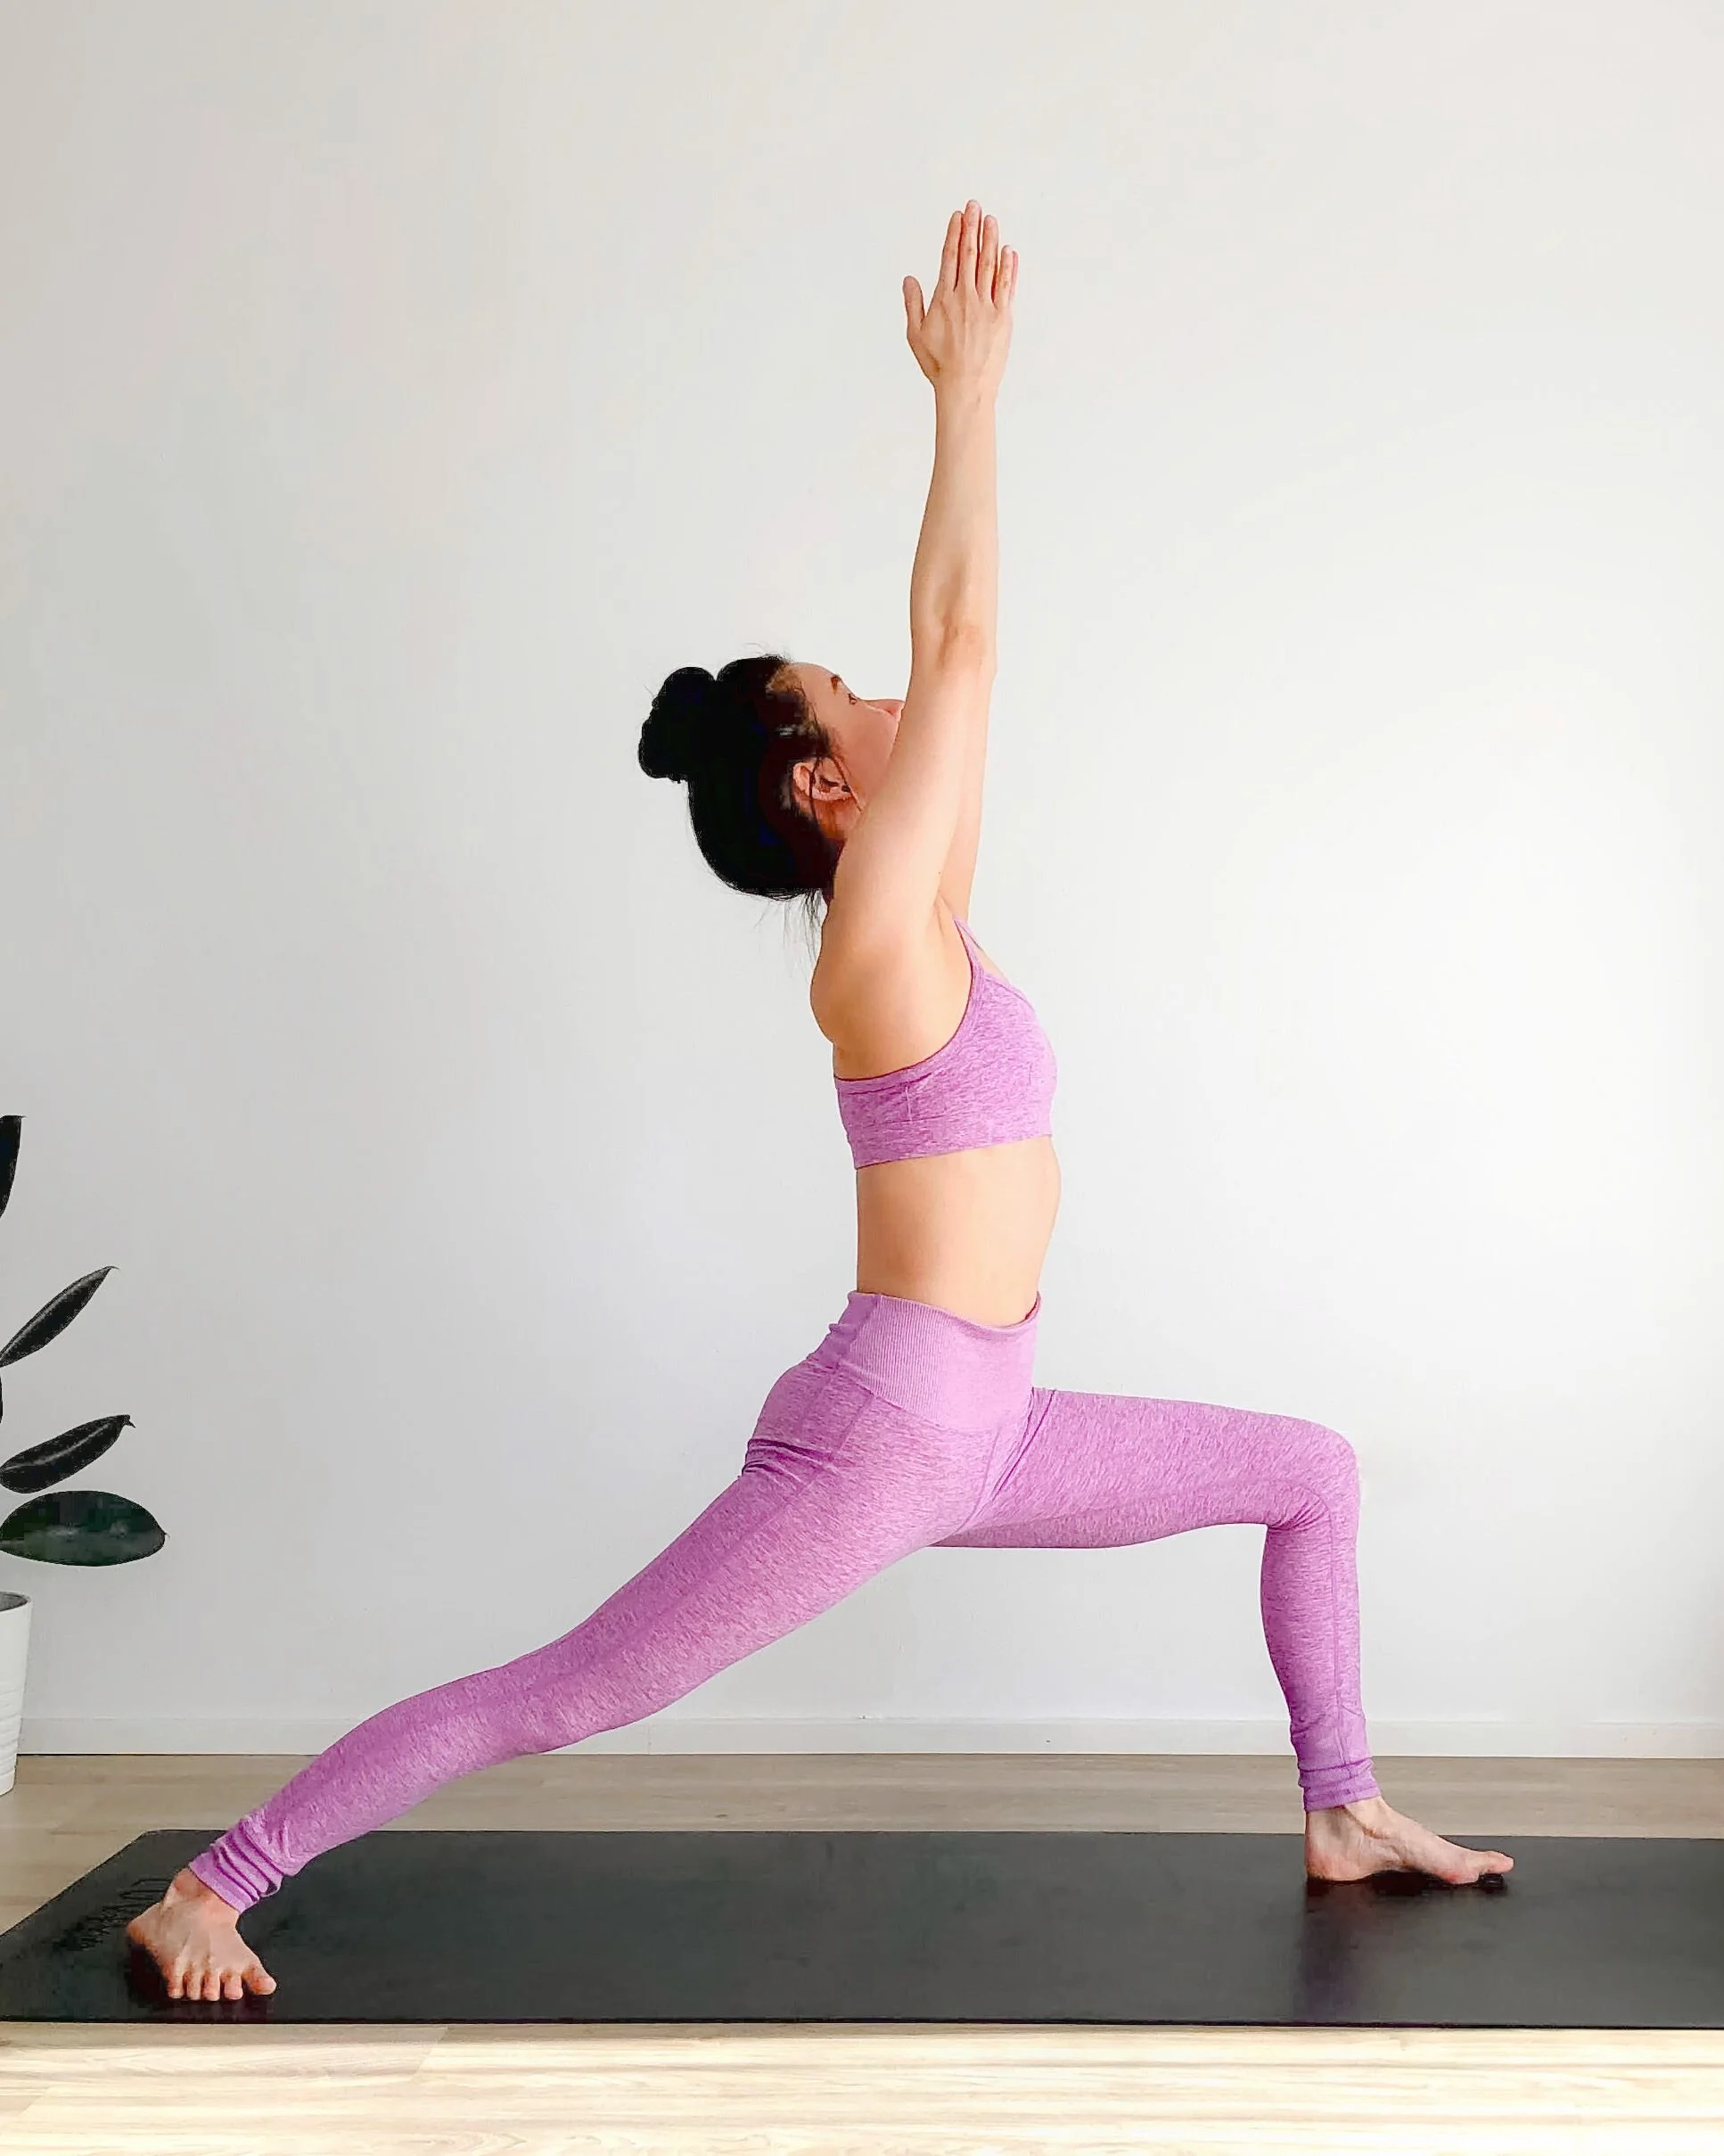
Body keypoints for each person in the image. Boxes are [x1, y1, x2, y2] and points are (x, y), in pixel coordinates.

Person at [130, 199, 1511, 2004]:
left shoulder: (927, 916)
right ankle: (213, 1884)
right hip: (884, 1436)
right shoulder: (870, 947)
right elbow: (964, 644)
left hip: (993, 1419)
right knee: (573, 1692)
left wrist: (966, 469)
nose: (891, 693)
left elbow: (963, 665)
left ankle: (1343, 1807)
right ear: (820, 786)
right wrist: (969, 399)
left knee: (1309, 1471)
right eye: (847, 695)